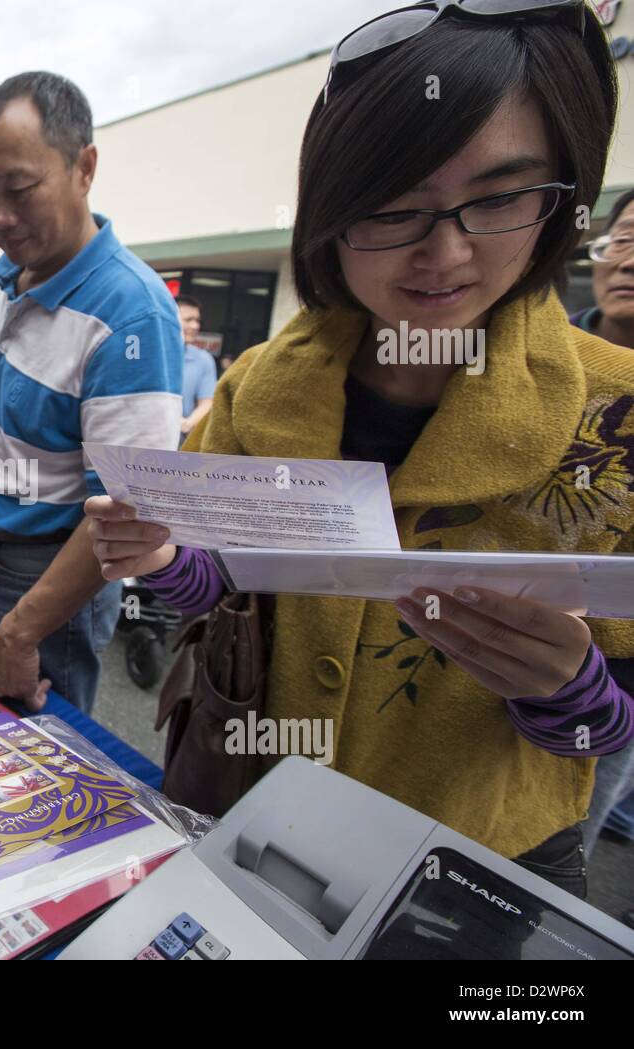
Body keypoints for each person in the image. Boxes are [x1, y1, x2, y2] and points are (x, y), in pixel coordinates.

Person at [87, 2, 633, 896]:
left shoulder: (617, 420)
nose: (444, 252)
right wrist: (160, 559)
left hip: (475, 867)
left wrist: (569, 689)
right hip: (269, 817)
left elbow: (609, 730)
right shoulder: (261, 387)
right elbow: (223, 587)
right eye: (391, 206)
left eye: (499, 197)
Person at [0, 72, 182, 714]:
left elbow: (126, 510)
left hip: (46, 579)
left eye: (21, 190)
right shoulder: (5, 279)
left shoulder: (131, 314)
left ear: (85, 168)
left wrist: (23, 630)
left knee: (42, 750)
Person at [569, 187, 634, 862]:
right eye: (625, 240)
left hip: (616, 678)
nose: (630, 262)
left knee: (563, 836)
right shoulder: (526, 361)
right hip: (477, 662)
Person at [176, 295, 216, 439]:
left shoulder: (204, 359)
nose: (195, 326)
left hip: (182, 440)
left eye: (197, 320)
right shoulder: (147, 355)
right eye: (188, 320)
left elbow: (207, 402)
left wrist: (187, 424)